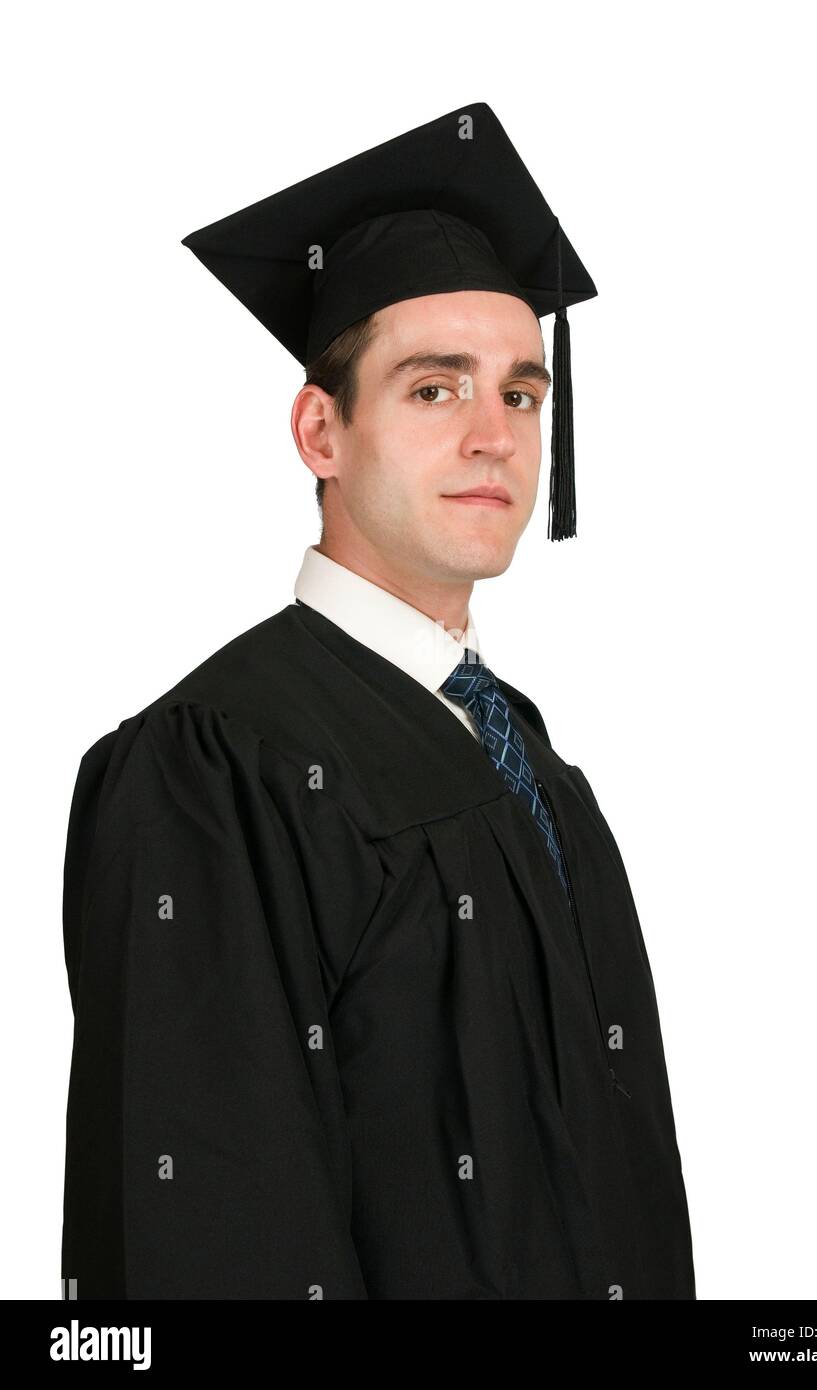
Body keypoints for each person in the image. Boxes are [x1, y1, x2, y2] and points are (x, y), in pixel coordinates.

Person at [60, 102, 695, 1300]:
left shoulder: (519, 748)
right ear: (322, 431)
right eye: (433, 389)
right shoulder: (215, 766)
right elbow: (212, 1232)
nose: (493, 435)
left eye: (520, 394)